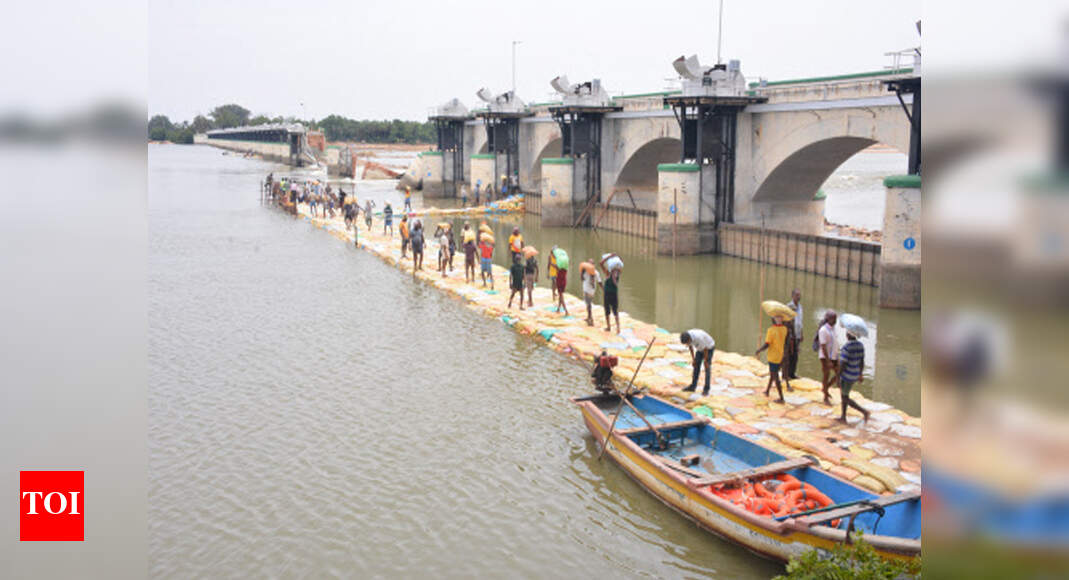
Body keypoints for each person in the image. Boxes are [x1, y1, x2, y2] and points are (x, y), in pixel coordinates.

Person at [837, 332, 871, 423]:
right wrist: (860, 374)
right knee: (844, 395)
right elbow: (862, 361)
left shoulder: (846, 347)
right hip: (854, 373)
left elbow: (843, 364)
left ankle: (864, 412)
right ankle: (843, 417)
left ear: (847, 335)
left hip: (846, 375)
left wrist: (837, 376)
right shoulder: (860, 346)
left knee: (845, 397)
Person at [756, 316, 789, 403]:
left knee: (775, 377)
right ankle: (767, 390)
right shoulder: (784, 329)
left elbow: (767, 344)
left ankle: (781, 398)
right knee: (773, 373)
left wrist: (759, 350)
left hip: (773, 357)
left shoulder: (771, 330)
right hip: (780, 356)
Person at [680, 329, 716, 395]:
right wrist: (693, 359)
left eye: (687, 342)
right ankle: (693, 386)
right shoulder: (688, 336)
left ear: (689, 339)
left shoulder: (698, 338)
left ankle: (706, 389)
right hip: (700, 349)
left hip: (709, 348)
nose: (687, 344)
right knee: (696, 366)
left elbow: (705, 349)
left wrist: (705, 361)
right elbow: (690, 347)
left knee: (707, 368)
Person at [817, 310, 839, 405]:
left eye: (836, 318)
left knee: (839, 373)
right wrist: (828, 361)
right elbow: (823, 346)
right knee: (826, 375)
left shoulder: (833, 328)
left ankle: (825, 388)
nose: (835, 320)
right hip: (825, 357)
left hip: (834, 356)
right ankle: (825, 397)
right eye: (833, 318)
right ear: (828, 319)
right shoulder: (823, 330)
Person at [786, 289, 803, 379]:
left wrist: (801, 334)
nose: (799, 297)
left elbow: (800, 322)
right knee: (789, 354)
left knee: (795, 355)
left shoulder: (800, 307)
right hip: (790, 335)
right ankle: (787, 374)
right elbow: (786, 321)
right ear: (792, 296)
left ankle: (792, 373)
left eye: (799, 295)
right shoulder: (789, 306)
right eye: (797, 295)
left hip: (797, 334)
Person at [580, 260, 601, 326]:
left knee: (588, 305)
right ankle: (589, 317)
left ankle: (591, 320)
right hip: (590, 291)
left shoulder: (594, 272)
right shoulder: (593, 272)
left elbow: (599, 282)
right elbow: (599, 282)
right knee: (588, 305)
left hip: (588, 291)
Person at [603, 267, 621, 334]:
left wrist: (614, 277)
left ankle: (618, 327)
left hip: (613, 295)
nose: (615, 272)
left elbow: (616, 284)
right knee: (607, 311)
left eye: (616, 271)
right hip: (607, 295)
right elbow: (601, 264)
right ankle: (608, 326)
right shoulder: (608, 275)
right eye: (614, 271)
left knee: (615, 311)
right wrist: (610, 256)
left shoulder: (617, 277)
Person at [553, 249, 569, 315]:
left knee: (561, 296)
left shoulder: (559, 270)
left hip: (559, 282)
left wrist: (552, 264)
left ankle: (566, 310)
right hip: (564, 282)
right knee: (560, 295)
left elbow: (556, 268)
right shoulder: (565, 269)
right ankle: (558, 308)